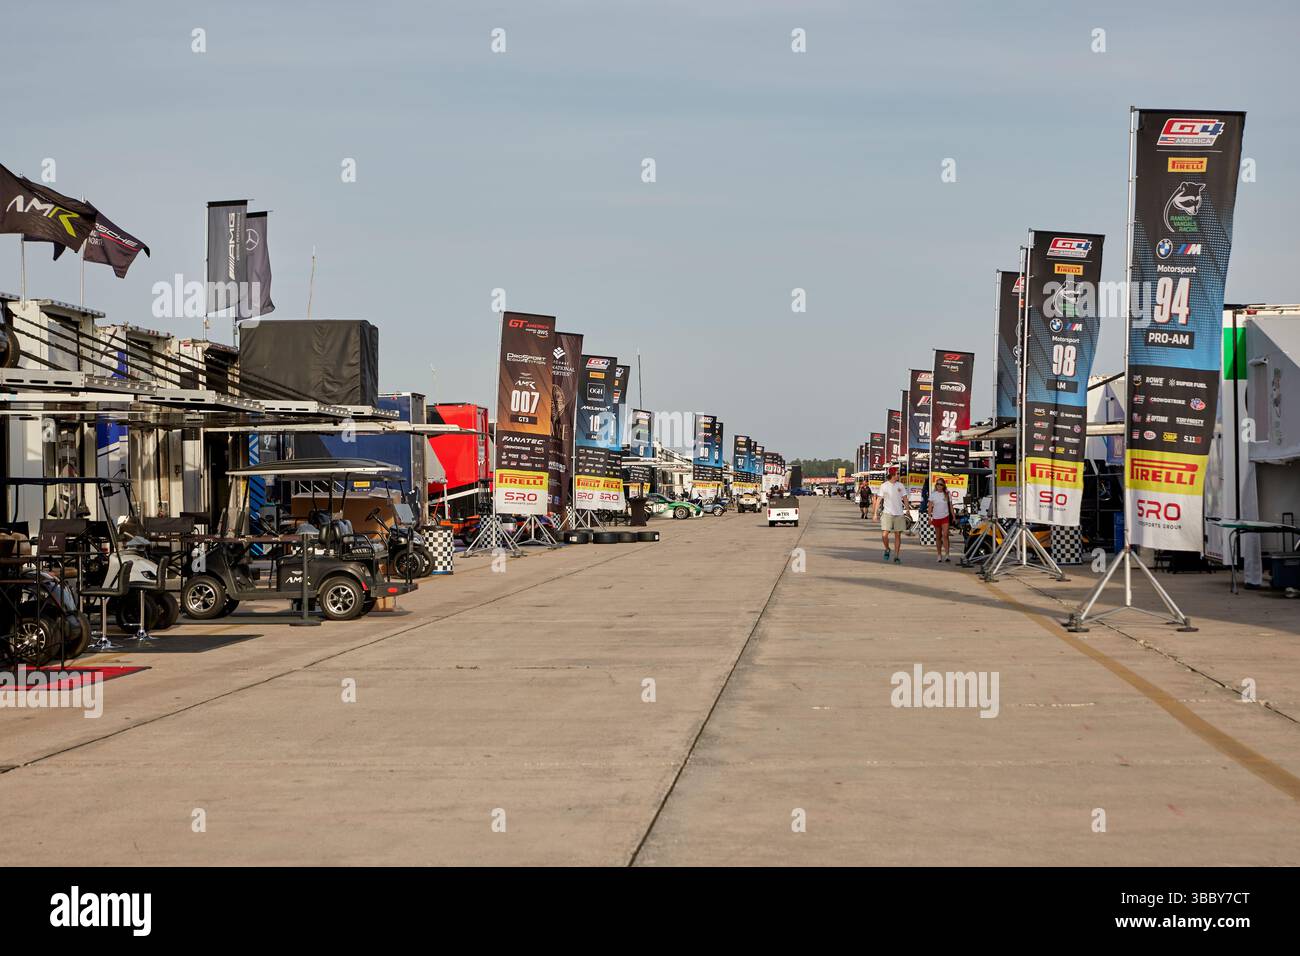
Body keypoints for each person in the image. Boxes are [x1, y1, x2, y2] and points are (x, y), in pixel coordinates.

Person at [877, 466, 908, 563]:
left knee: (897, 535)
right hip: (887, 513)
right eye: (897, 474)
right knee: (884, 534)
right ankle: (887, 549)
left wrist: (907, 509)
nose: (899, 475)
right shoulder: (884, 486)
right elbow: (879, 499)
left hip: (899, 513)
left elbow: (905, 498)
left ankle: (896, 556)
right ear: (892, 475)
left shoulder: (900, 485)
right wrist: (875, 513)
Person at [928, 476, 952, 562]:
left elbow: (950, 506)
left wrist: (953, 515)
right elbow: (930, 507)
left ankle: (947, 554)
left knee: (945, 535)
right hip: (936, 517)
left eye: (941, 484)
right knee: (938, 537)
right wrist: (929, 518)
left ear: (944, 485)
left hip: (945, 517)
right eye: (937, 484)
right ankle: (939, 554)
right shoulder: (933, 494)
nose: (939, 486)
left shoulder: (947, 494)